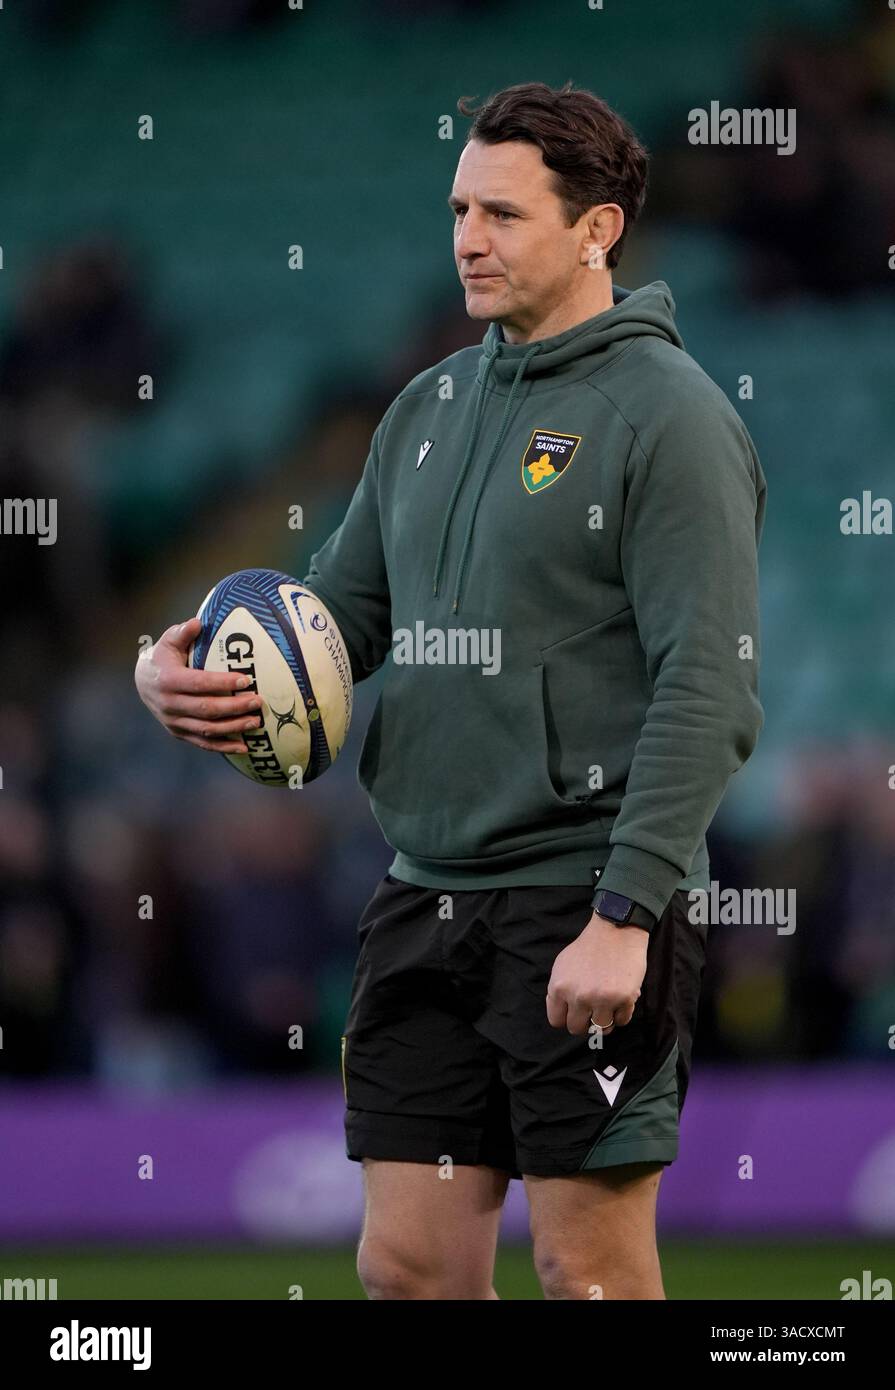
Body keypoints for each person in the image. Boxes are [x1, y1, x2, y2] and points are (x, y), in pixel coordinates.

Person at [135, 81, 766, 1299]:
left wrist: (625, 916)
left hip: (584, 894)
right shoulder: (425, 406)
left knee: (586, 1271)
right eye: (458, 208)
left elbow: (712, 684)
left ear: (598, 231)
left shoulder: (670, 416)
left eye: (504, 214)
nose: (468, 238)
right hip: (424, 898)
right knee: (409, 1271)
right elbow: (338, 621)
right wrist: (182, 668)